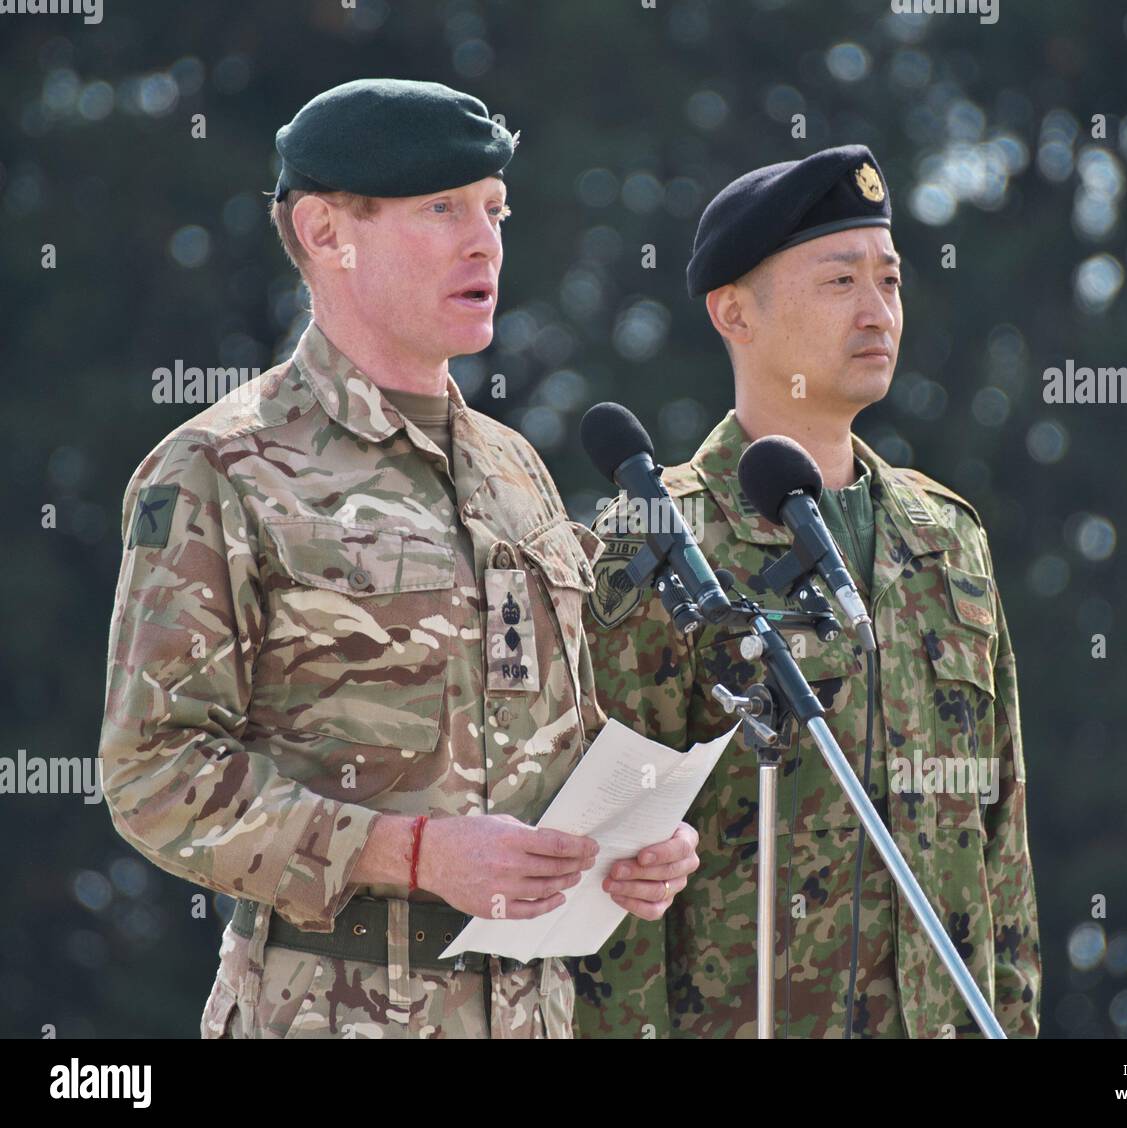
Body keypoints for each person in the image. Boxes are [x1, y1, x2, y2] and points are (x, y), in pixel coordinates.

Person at [98, 77, 699, 1040]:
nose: (485, 242)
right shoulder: (221, 469)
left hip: (533, 1015)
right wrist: (412, 854)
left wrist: (631, 845)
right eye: (441, 209)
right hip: (325, 1013)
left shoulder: (516, 470)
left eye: (495, 210)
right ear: (327, 231)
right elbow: (152, 773)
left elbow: (557, 731)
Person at [570, 145, 1040, 1038]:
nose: (878, 311)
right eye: (840, 281)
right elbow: (608, 870)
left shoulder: (948, 540)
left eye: (891, 281)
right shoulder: (661, 541)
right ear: (733, 312)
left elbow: (1000, 838)